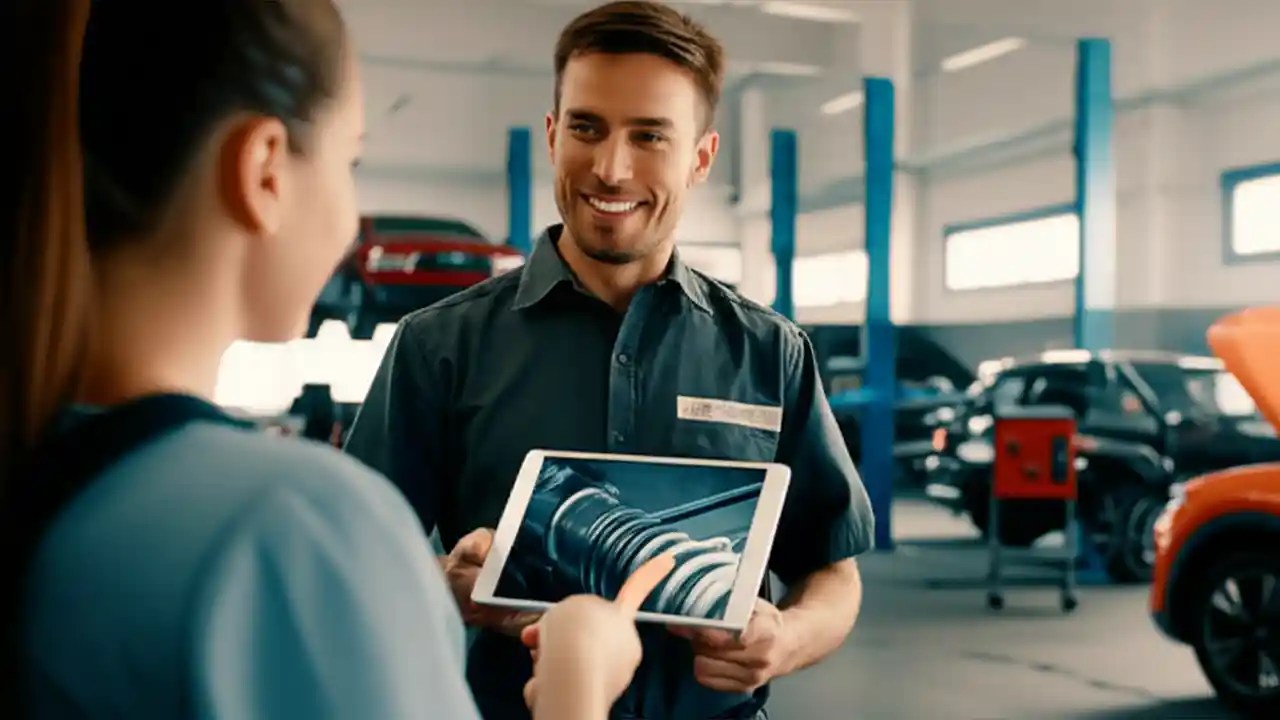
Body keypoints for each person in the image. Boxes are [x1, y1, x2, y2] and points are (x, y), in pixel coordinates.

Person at [0, 1, 654, 718]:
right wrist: (579, 681)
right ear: (265, 171)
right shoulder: (296, 525)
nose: (349, 212)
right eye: (351, 161)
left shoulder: (45, 468)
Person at [343, 1, 876, 718]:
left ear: (700, 158)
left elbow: (831, 572)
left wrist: (786, 637)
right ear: (553, 135)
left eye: (650, 136)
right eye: (587, 129)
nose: (611, 168)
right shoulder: (439, 346)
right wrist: (445, 583)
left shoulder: (768, 352)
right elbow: (354, 567)